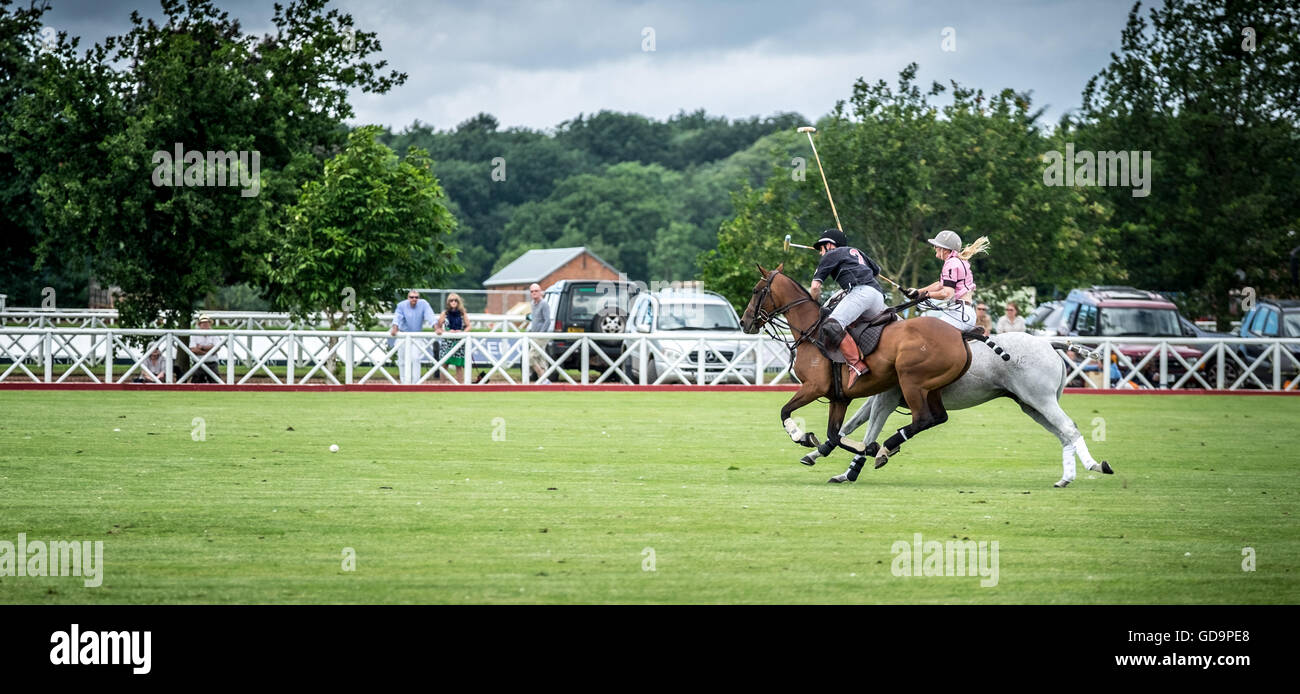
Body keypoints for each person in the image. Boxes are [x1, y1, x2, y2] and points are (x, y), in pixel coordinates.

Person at [809, 228, 887, 388]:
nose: (820, 253)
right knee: (850, 324)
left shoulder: (831, 254)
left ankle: (855, 365)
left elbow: (815, 287)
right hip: (878, 297)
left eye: (821, 248)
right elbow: (876, 272)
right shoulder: (856, 251)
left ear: (829, 245)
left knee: (832, 324)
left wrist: (813, 302)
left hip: (861, 292)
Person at [906, 230, 989, 332]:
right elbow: (940, 285)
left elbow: (947, 293)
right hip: (965, 313)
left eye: (936, 246)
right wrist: (918, 291)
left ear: (944, 250)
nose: (934, 248)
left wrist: (927, 295)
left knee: (925, 333)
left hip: (959, 315)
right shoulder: (958, 261)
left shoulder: (951, 263)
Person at [390, 290, 437, 384]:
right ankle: (404, 383)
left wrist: (436, 327)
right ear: (408, 298)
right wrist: (395, 328)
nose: (414, 299)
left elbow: (430, 315)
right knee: (402, 360)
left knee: (415, 358)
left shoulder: (423, 304)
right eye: (412, 297)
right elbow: (397, 317)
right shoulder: (401, 305)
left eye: (416, 297)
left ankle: (416, 383)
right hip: (403, 335)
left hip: (416, 336)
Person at [435, 293, 470, 381]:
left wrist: (462, 333)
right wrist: (446, 332)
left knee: (458, 365)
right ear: (448, 302)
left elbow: (469, 326)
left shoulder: (463, 313)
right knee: (444, 364)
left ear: (458, 302)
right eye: (451, 300)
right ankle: (442, 386)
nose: (453, 302)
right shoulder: (444, 313)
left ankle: (460, 387)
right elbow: (438, 326)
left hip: (459, 341)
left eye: (455, 300)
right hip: (447, 342)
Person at [527, 283, 552, 384]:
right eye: (532, 291)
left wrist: (541, 333)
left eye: (536, 291)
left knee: (531, 357)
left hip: (541, 335)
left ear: (541, 292)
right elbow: (534, 319)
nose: (534, 293)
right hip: (534, 334)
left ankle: (542, 376)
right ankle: (544, 380)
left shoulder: (544, 304)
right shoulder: (532, 304)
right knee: (540, 357)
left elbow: (547, 321)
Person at [189, 314, 219, 383]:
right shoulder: (194, 334)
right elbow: (193, 349)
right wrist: (208, 352)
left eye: (207, 322)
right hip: (198, 362)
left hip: (212, 363)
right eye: (203, 323)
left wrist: (201, 347)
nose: (205, 324)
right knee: (195, 382)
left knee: (216, 383)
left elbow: (217, 348)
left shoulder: (215, 333)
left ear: (210, 324)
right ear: (199, 324)